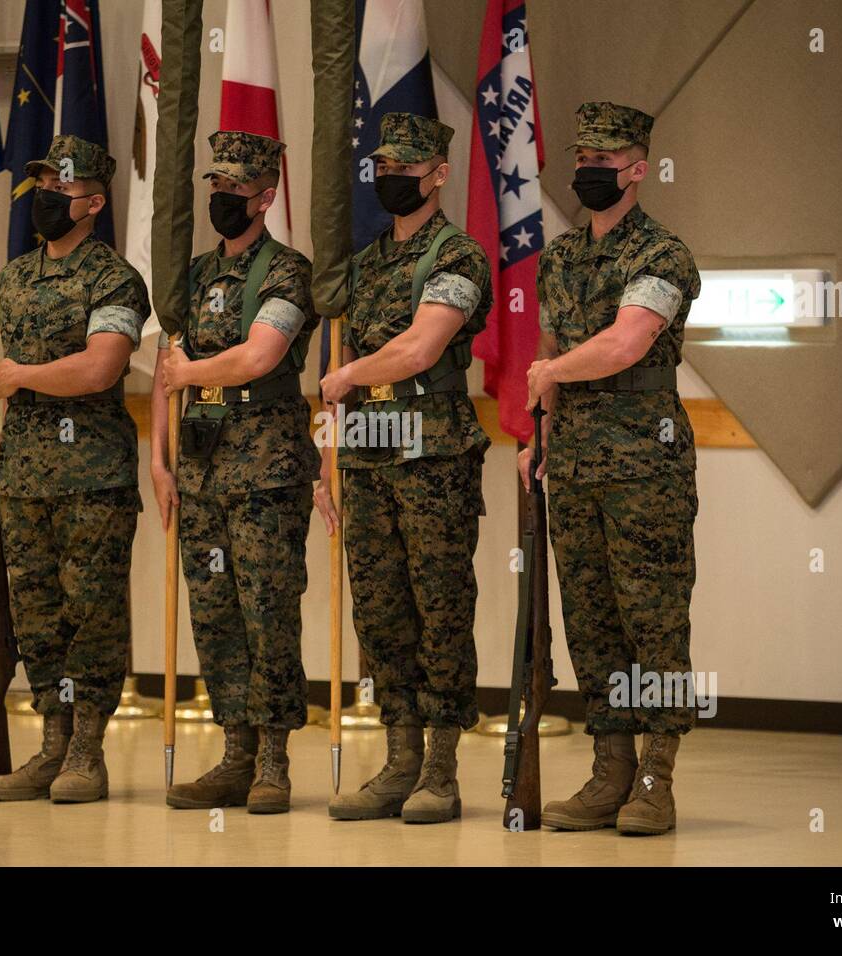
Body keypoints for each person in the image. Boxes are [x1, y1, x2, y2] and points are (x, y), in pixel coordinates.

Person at [524, 102, 701, 835]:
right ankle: (610, 770)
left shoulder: (661, 254)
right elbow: (547, 367)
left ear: (639, 168)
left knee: (651, 618)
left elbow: (626, 343)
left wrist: (552, 371)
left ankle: (657, 776)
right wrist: (539, 436)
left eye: (605, 160)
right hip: (570, 462)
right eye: (581, 158)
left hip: (643, 462)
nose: (588, 171)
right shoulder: (559, 259)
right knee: (590, 620)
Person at [320, 112, 491, 825]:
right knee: (381, 614)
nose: (392, 179)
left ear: (439, 173)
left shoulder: (458, 258)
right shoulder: (364, 264)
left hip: (432, 454)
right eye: (384, 168)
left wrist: (351, 375)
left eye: (407, 168)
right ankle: (398, 763)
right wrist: (328, 460)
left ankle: (442, 771)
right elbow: (335, 369)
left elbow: (420, 349)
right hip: (364, 454)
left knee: (440, 609)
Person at [0, 134, 149, 804]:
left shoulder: (114, 279)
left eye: (61, 190)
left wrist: (20, 378)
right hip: (22, 475)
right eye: (40, 186)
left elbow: (101, 367)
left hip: (91, 479)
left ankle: (87, 754)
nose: (45, 198)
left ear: (94, 202)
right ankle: (49, 747)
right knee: (36, 618)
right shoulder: (15, 277)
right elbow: (11, 386)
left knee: (92, 615)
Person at [152, 130, 320, 815]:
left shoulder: (286, 271)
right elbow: (164, 379)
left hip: (266, 467)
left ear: (266, 196)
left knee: (267, 609)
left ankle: (275, 759)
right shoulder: (189, 277)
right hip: (198, 466)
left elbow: (259, 356)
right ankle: (234, 752)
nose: (223, 198)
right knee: (215, 613)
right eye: (215, 187)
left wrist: (192, 370)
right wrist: (159, 463)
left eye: (236, 189)